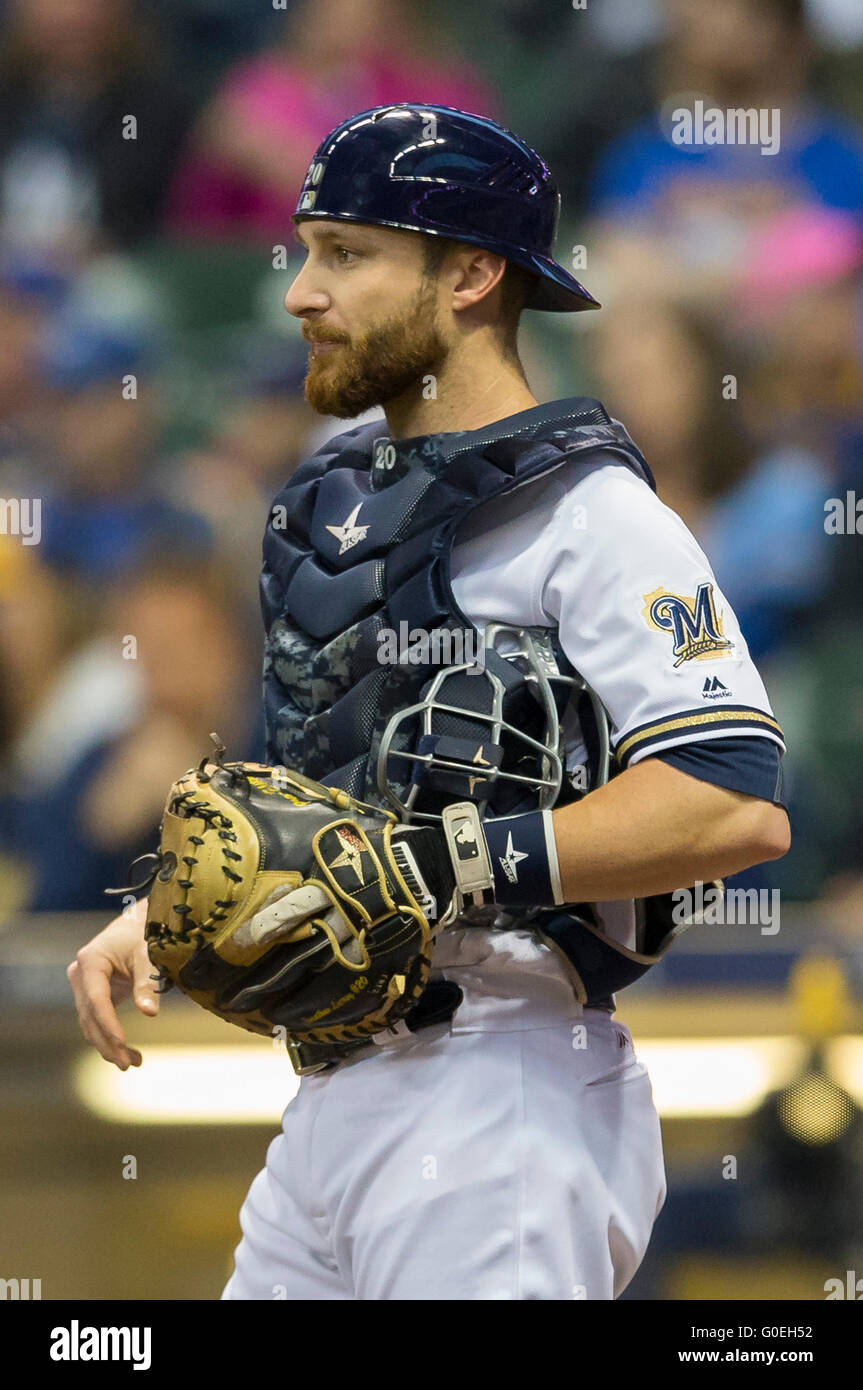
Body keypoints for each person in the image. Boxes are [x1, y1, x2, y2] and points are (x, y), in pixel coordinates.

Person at [68, 104, 790, 1301]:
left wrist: (437, 863)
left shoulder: (593, 515)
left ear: (470, 272)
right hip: (335, 1088)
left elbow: (730, 803)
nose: (302, 291)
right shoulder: (332, 509)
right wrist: (174, 908)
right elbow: (328, 809)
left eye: (347, 254)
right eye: (305, 250)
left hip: (499, 1076)